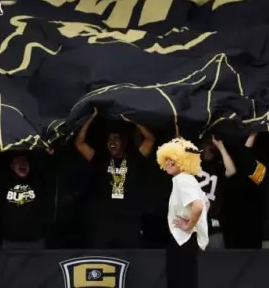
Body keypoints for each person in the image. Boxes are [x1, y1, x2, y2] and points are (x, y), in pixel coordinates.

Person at [74, 110, 155, 248]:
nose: (111, 142)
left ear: (123, 142)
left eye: (115, 139)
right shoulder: (101, 159)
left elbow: (150, 139)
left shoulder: (134, 158)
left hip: (129, 222)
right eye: (109, 139)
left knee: (132, 261)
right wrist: (89, 119)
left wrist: (133, 120)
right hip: (104, 223)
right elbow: (79, 143)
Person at [157, 138, 208, 288]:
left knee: (180, 282)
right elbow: (206, 203)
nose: (167, 163)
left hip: (183, 241)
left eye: (172, 159)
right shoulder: (189, 179)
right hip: (187, 242)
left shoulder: (182, 179)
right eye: (166, 159)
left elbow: (198, 206)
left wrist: (189, 225)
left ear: (184, 160)